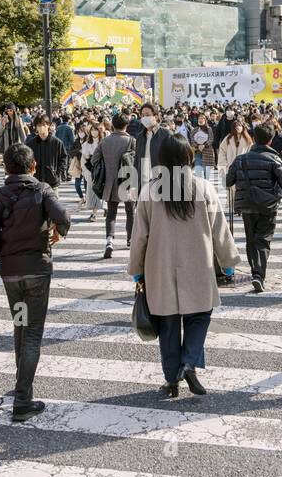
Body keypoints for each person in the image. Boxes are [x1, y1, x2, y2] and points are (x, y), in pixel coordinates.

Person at [129, 134, 239, 399]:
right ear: (190, 157)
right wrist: (228, 263)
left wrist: (137, 270)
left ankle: (171, 381)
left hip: (160, 267)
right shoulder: (203, 188)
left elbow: (140, 236)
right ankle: (189, 362)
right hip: (198, 265)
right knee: (199, 316)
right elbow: (219, 230)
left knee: (168, 326)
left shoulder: (150, 191)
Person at [0, 143, 70, 420]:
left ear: (6, 168)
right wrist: (59, 232)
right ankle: (22, 399)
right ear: (33, 167)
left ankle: (22, 386)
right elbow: (63, 216)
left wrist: (6, 253)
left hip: (11, 273)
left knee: (20, 326)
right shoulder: (41, 190)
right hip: (37, 271)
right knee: (31, 334)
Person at [224, 122, 282, 292]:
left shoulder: (240, 159)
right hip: (268, 206)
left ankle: (254, 271)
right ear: (270, 141)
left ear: (254, 139)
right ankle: (259, 275)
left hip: (247, 205)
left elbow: (228, 181)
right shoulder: (274, 159)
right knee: (263, 240)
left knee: (251, 240)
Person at [90, 113, 137, 260]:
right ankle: (130, 240)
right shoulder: (131, 140)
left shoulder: (105, 141)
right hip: (129, 181)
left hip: (109, 182)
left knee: (111, 213)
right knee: (131, 211)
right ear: (126, 125)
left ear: (112, 125)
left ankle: (109, 241)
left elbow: (94, 159)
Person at [26, 113, 68, 189]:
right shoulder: (31, 144)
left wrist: (57, 174)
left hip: (52, 183)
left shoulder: (57, 143)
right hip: (35, 182)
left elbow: (63, 159)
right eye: (39, 126)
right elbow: (27, 161)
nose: (41, 128)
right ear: (36, 127)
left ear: (48, 125)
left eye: (44, 125)